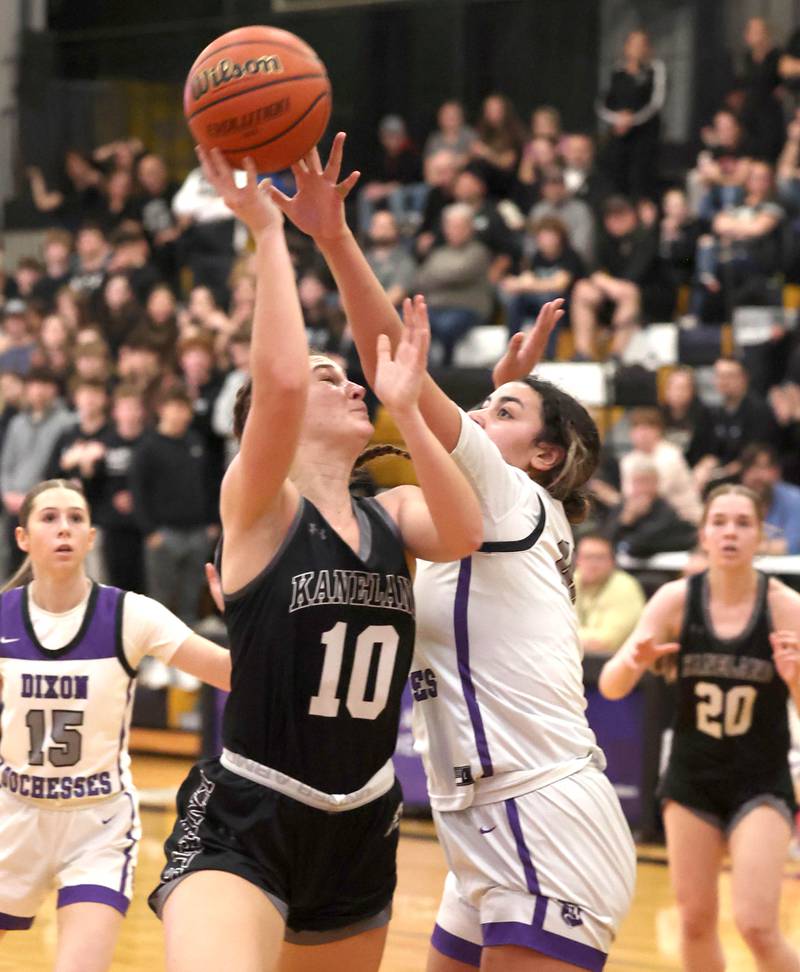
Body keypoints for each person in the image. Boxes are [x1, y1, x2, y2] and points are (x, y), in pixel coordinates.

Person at [269, 132, 636, 972]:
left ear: (546, 456)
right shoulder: (479, 510)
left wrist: (332, 237)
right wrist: (517, 398)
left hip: (538, 806)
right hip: (476, 817)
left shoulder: (513, 499)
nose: (474, 417)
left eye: (499, 412)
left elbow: (390, 361)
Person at [149, 147, 482, 972]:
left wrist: (405, 408)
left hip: (363, 816)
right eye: (335, 377)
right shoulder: (259, 506)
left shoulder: (391, 514)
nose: (348, 386)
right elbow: (284, 381)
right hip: (251, 809)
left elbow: (466, 532)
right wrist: (269, 234)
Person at [0, 478, 231, 970]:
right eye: (49, 518)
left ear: (91, 537)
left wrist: (248, 616)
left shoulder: (130, 614)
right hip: (11, 817)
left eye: (76, 519)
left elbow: (233, 675)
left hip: (97, 824)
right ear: (23, 538)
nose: (64, 528)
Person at [598, 485, 800, 972]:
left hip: (760, 780)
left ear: (760, 537)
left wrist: (795, 678)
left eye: (743, 523)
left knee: (756, 924)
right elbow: (610, 685)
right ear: (704, 534)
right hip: (691, 778)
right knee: (694, 921)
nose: (730, 532)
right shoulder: (673, 600)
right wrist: (636, 661)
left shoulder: (785, 607)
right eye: (720, 522)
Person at [596, 29, 666, 201]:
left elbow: (656, 102)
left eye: (642, 44)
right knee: (614, 169)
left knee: (640, 176)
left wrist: (631, 120)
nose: (637, 48)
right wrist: (618, 119)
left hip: (645, 133)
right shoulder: (617, 70)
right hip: (619, 132)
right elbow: (603, 102)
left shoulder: (655, 69)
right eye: (633, 44)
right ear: (626, 47)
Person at [574, 533, 646, 655]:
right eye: (587, 557)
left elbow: (605, 643)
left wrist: (564, 637)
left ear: (612, 561)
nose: (593, 564)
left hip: (610, 661)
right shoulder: (570, 581)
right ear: (577, 560)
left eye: (599, 558)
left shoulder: (625, 586)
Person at [740, 443, 800, 555]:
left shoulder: (795, 499)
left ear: (776, 471)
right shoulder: (734, 501)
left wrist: (742, 547)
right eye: (749, 468)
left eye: (762, 467)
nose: (755, 475)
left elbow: (793, 545)